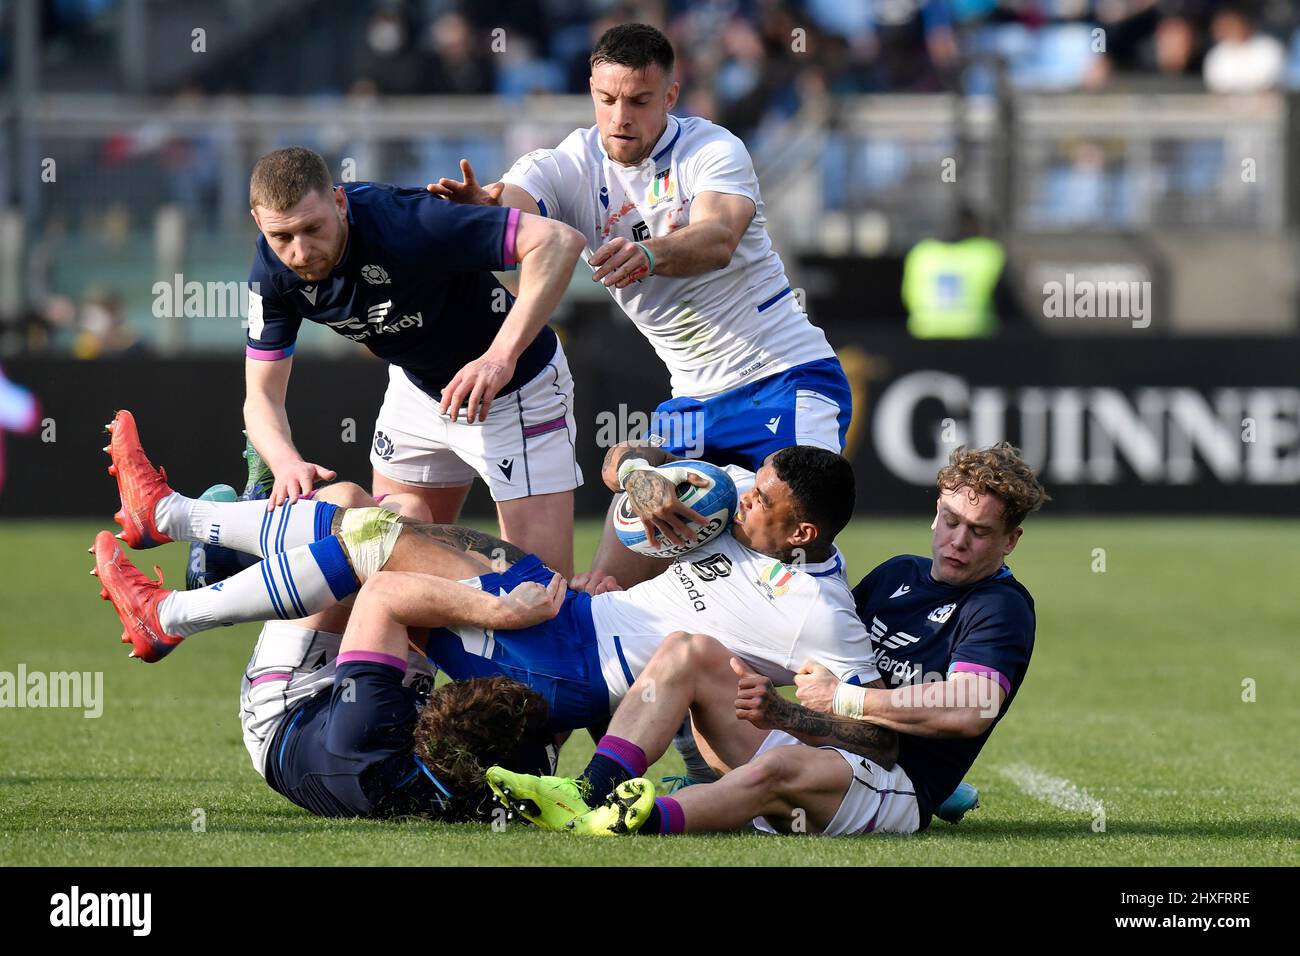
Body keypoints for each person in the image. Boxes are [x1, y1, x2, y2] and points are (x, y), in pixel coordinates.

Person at [427, 23, 852, 593]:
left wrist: (650, 253)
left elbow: (719, 236)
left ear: (670, 97)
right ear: (591, 91)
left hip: (784, 378)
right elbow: (514, 206)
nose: (620, 116)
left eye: (639, 100)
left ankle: (846, 678)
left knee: (791, 570)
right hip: (691, 401)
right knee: (606, 586)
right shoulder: (569, 163)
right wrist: (488, 213)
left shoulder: (712, 149)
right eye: (607, 99)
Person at [517, 443, 1047, 836]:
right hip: (843, 751)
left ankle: (630, 823)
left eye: (978, 532)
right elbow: (827, 672)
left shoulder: (999, 609)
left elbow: (969, 709)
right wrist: (785, 709)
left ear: (1011, 540)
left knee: (780, 766)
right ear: (936, 512)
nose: (956, 541)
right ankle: (588, 791)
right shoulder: (897, 574)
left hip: (898, 784)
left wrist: (838, 702)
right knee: (689, 649)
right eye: (951, 520)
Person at [243, 146, 586, 576]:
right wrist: (286, 463)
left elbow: (558, 241)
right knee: (393, 564)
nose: (301, 252)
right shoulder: (271, 273)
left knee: (543, 592)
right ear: (259, 223)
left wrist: (500, 356)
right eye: (282, 238)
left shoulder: (406, 221)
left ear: (338, 201)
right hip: (418, 390)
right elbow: (260, 396)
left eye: (313, 228)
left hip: (518, 389)